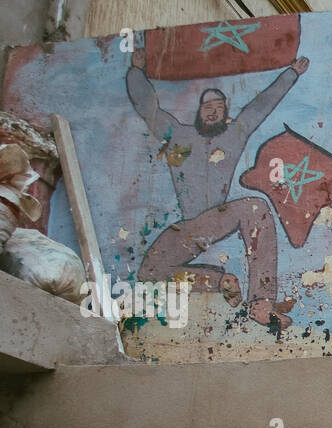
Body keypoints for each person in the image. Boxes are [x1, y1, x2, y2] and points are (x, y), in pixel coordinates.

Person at [126, 48, 309, 328]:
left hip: (219, 216)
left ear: (226, 115)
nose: (213, 111)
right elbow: (147, 108)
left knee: (255, 208)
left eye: (219, 107)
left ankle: (261, 303)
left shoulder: (234, 134)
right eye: (207, 107)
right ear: (199, 112)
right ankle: (220, 282)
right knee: (150, 273)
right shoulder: (178, 135)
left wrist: (291, 73)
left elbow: (260, 107)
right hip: (188, 227)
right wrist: (136, 72)